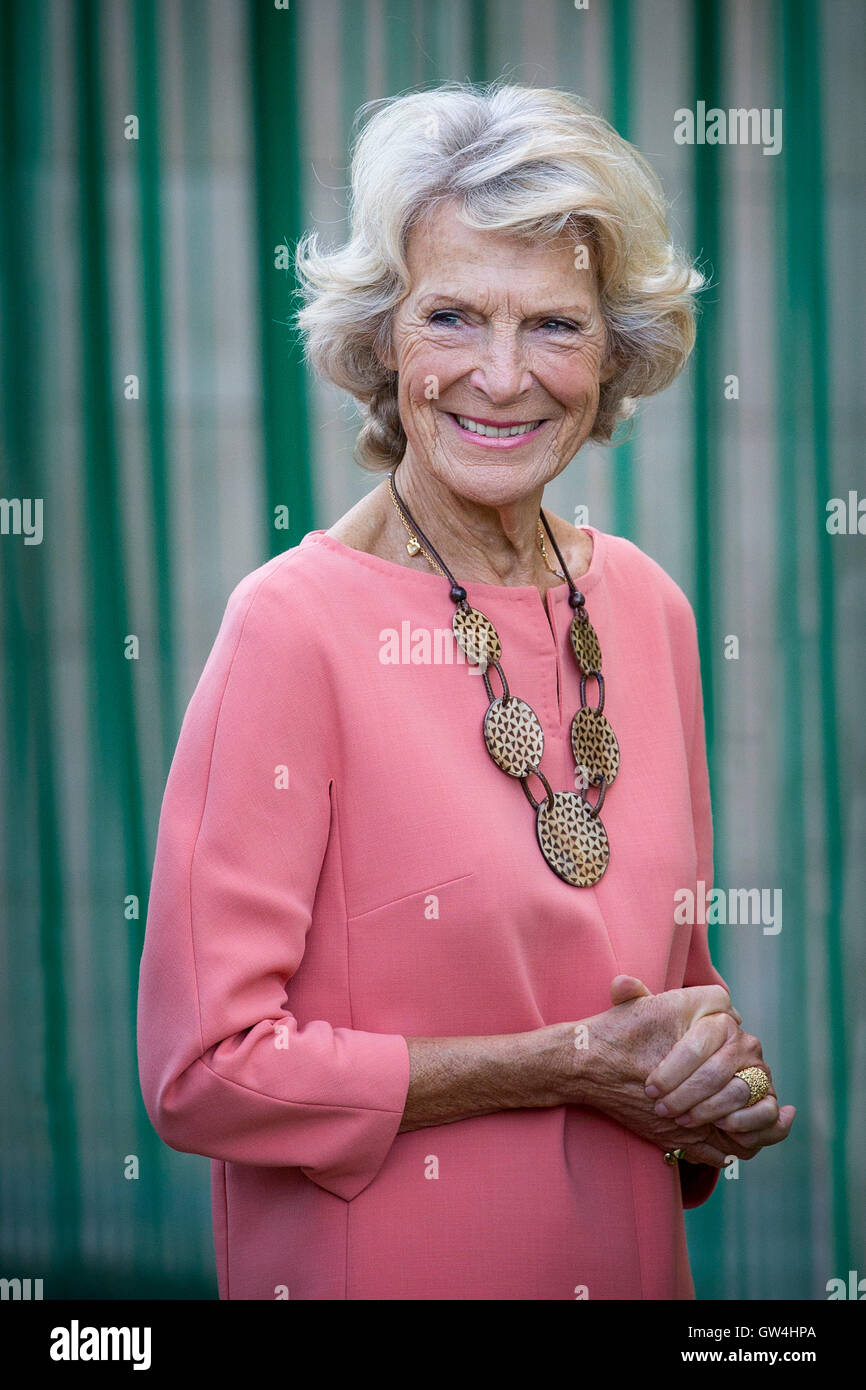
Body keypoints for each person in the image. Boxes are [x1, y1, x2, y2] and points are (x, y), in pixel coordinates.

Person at [137, 82, 794, 1301]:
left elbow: (668, 980)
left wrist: (711, 1079)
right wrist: (559, 1064)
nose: (501, 376)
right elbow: (203, 1069)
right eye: (451, 315)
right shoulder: (291, 627)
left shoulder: (645, 608)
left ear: (615, 353)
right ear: (384, 338)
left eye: (553, 324)